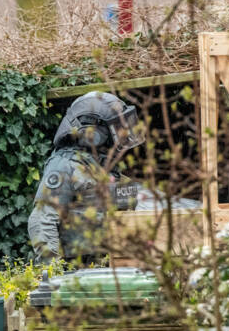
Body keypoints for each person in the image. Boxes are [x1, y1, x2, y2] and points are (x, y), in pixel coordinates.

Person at [27, 91, 145, 262]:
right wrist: (53, 271)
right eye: (116, 128)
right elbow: (41, 219)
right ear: (93, 131)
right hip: (78, 270)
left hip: (109, 265)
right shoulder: (64, 165)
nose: (121, 135)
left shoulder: (100, 167)